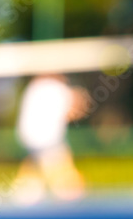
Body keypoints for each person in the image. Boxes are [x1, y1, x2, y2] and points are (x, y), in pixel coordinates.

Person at [14, 74, 89, 204]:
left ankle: (26, 195)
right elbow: (74, 110)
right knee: (65, 181)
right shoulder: (58, 89)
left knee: (34, 172)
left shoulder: (35, 87)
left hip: (30, 138)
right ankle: (70, 202)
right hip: (48, 140)